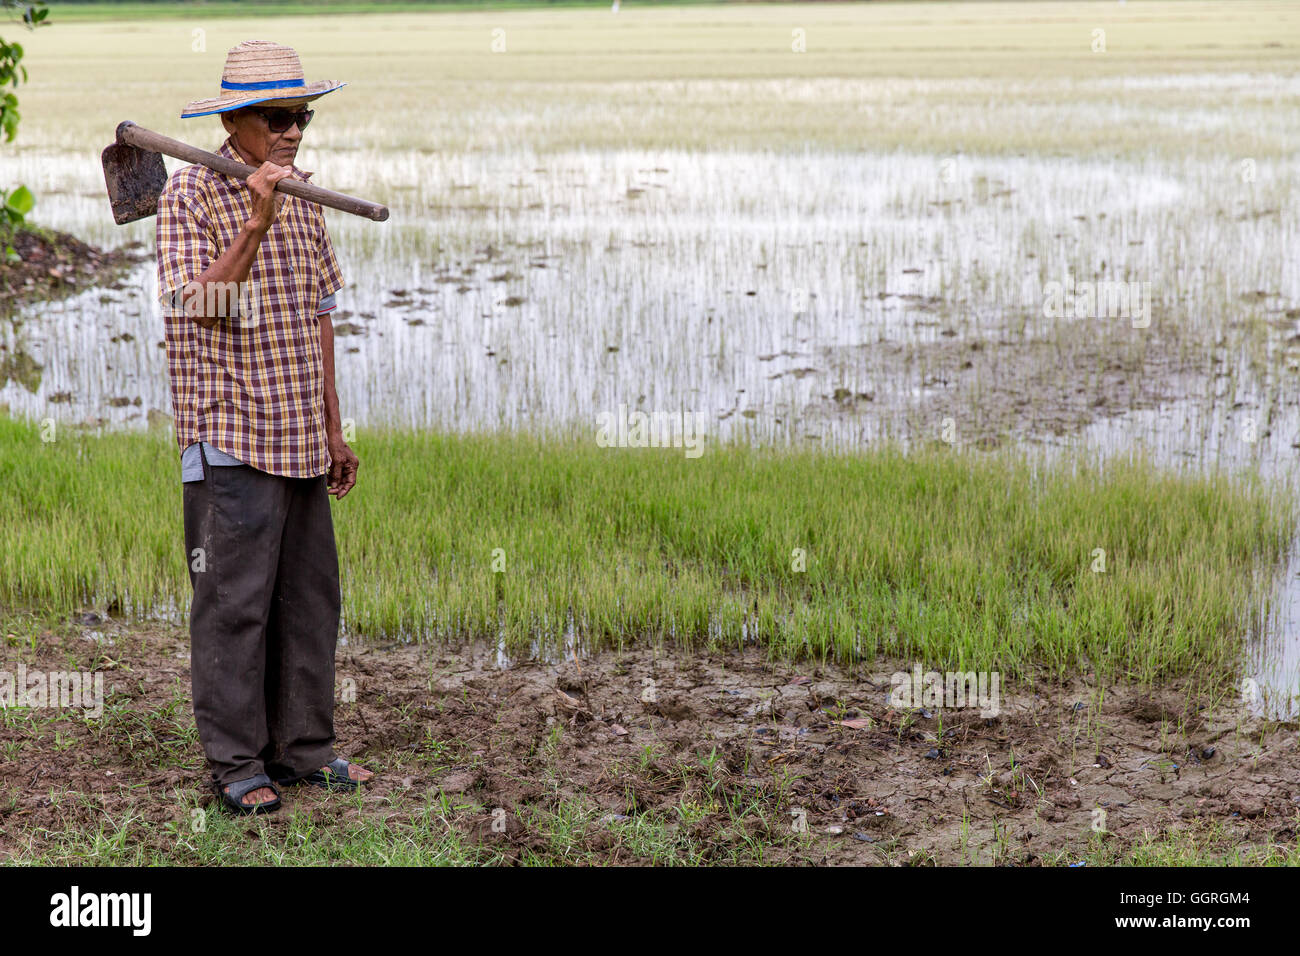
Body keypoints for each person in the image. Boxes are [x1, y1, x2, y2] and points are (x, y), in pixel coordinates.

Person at [156, 39, 370, 814]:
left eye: (301, 116)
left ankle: (306, 752)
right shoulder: (189, 197)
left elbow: (319, 320)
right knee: (234, 606)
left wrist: (334, 432)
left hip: (300, 437)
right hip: (231, 435)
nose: (293, 132)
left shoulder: (307, 198)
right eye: (278, 118)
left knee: (310, 603)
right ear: (235, 121)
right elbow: (196, 307)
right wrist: (254, 220)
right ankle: (237, 766)